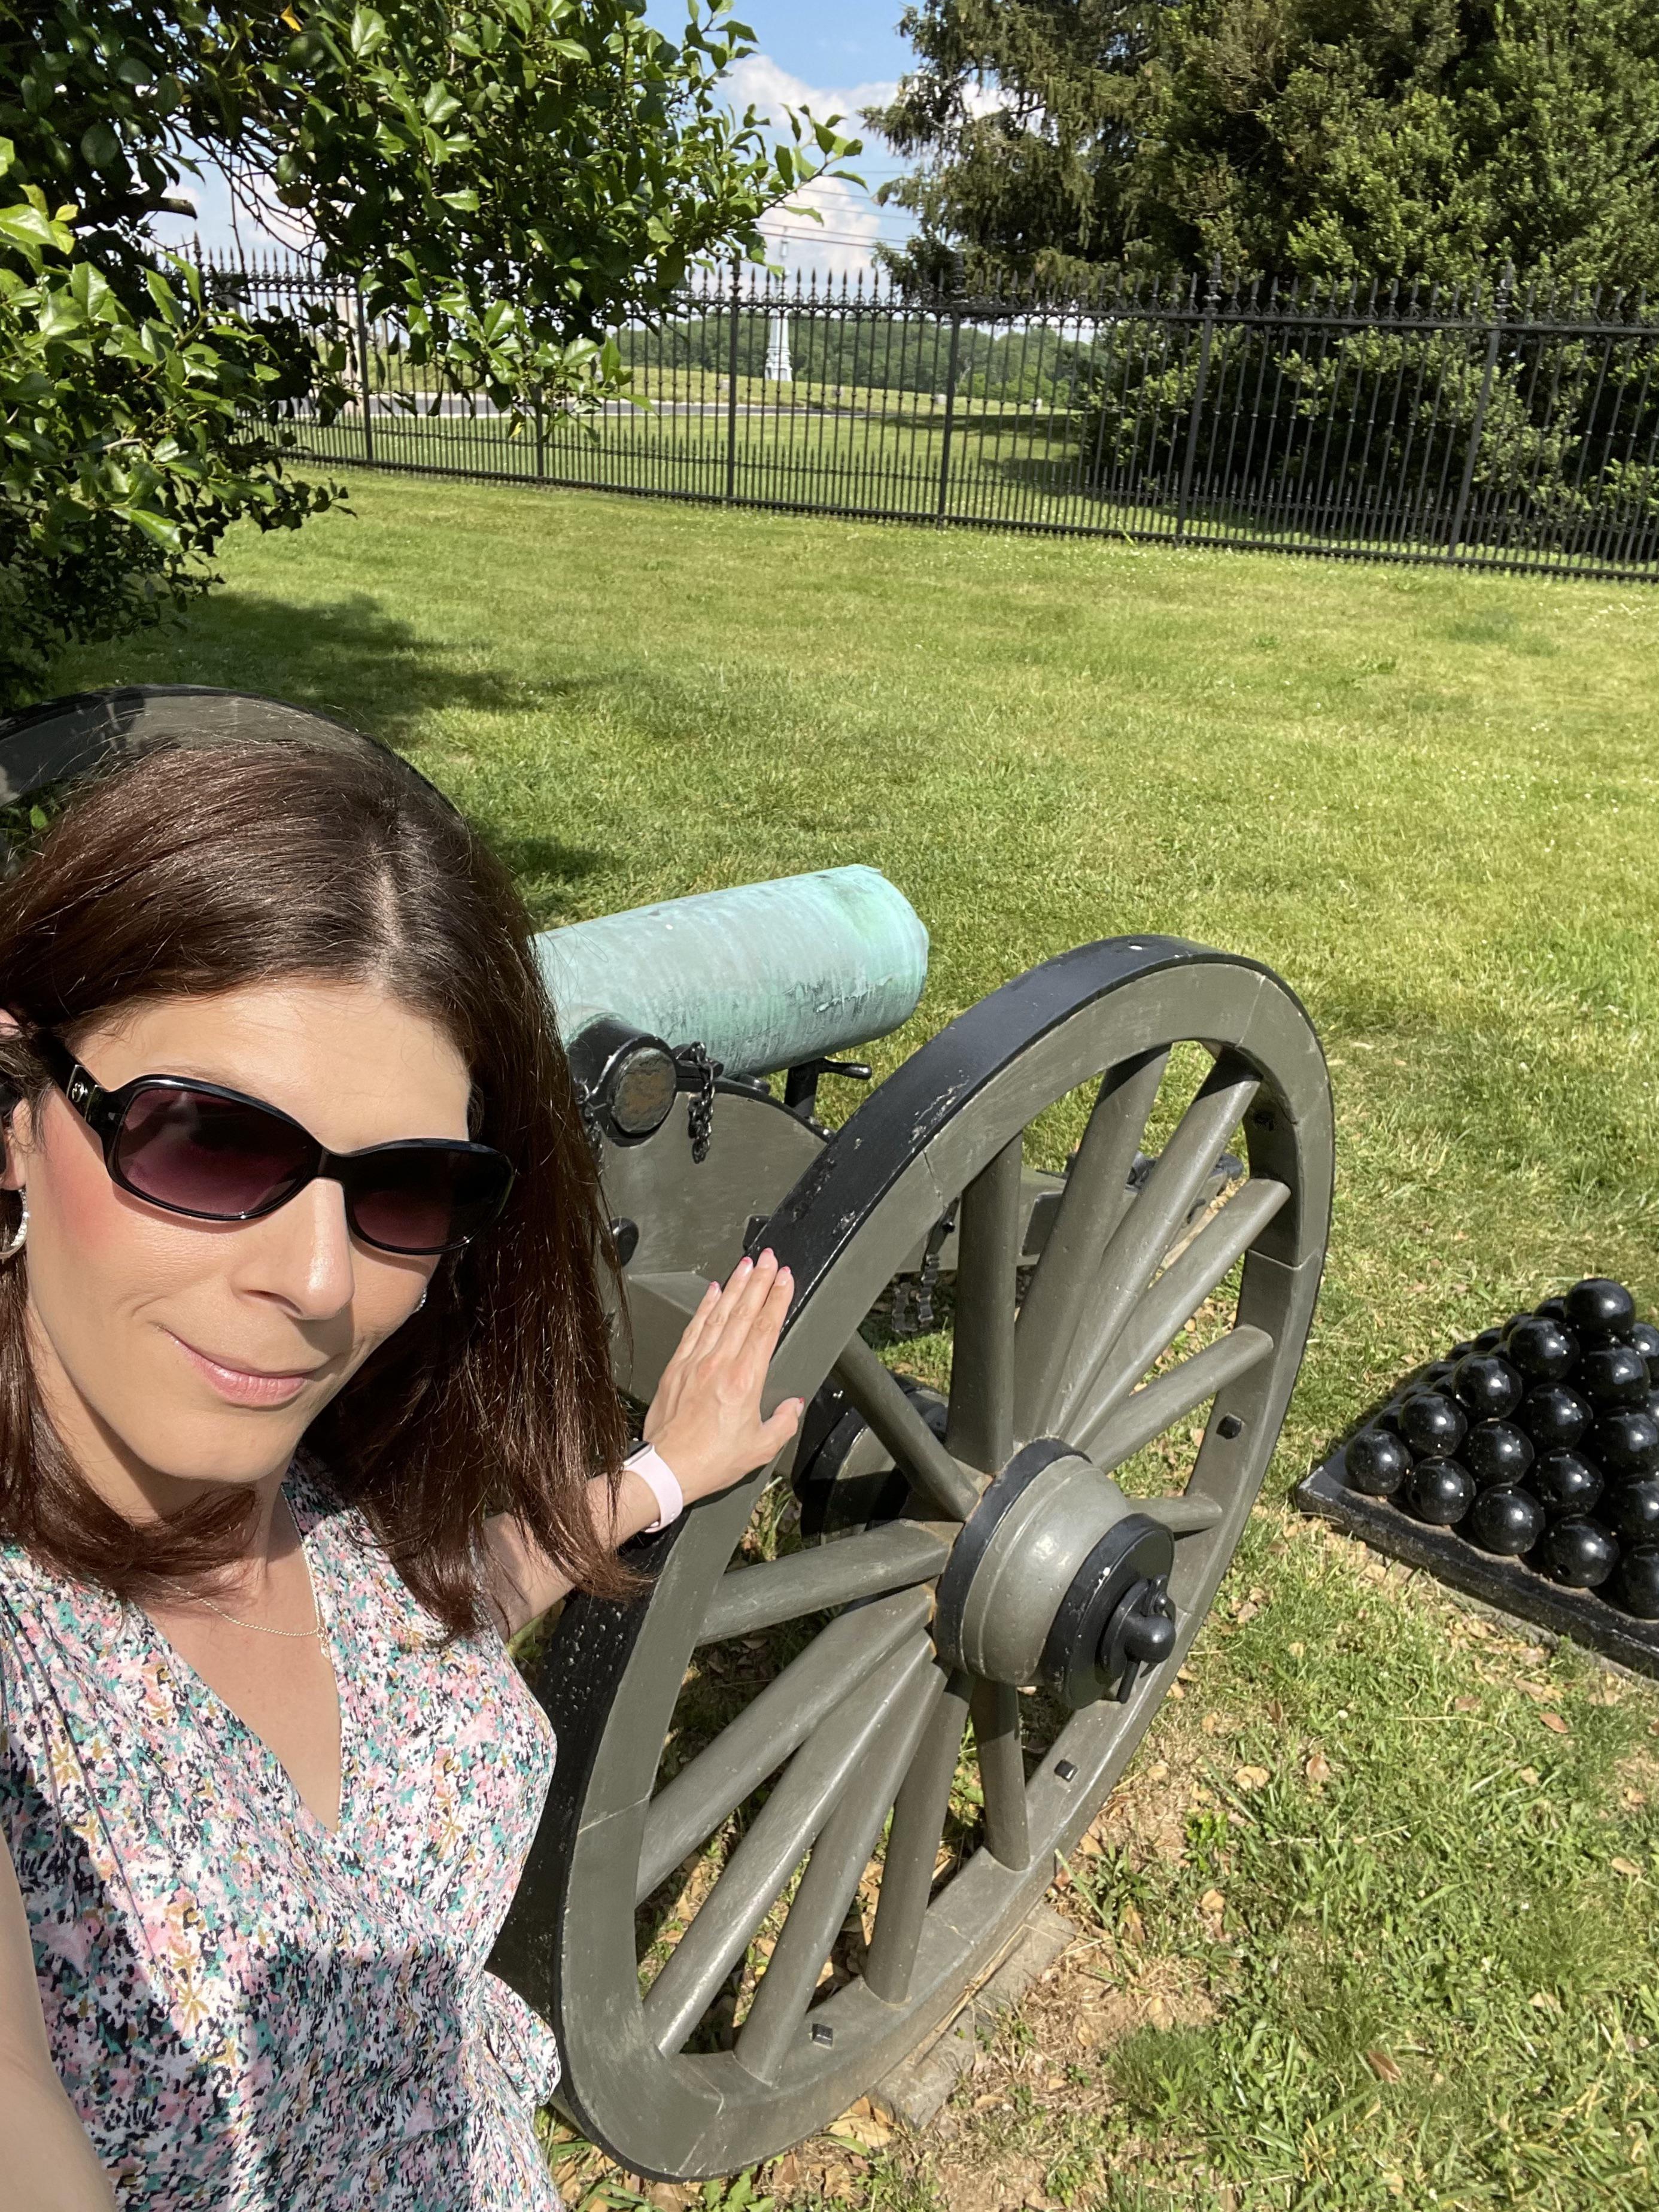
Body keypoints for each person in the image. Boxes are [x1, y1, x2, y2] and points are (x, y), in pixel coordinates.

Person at [0, 731, 803, 2210]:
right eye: (206, 1145)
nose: (319, 1283)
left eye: (406, 1186)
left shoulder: (313, 1495)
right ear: (15, 1111)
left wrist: (663, 1474)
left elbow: (429, 1623)